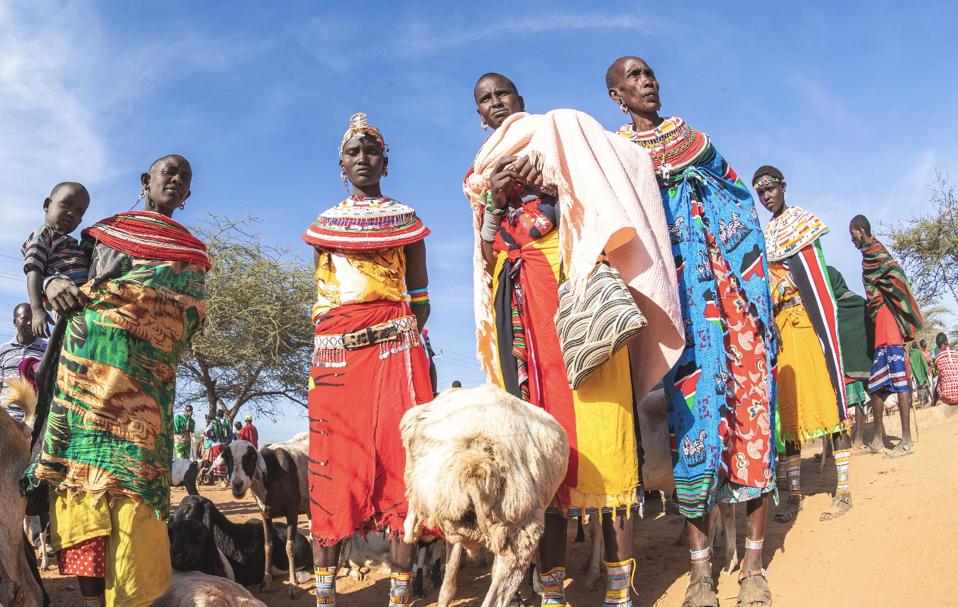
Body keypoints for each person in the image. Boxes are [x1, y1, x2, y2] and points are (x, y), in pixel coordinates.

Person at [465, 72, 683, 607]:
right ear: (479, 114)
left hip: (574, 297)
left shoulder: (558, 133)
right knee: (541, 452)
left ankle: (618, 592)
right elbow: (488, 249)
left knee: (603, 438)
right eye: (484, 100)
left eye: (503, 94)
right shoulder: (479, 172)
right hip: (520, 311)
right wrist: (494, 200)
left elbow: (604, 194)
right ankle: (554, 594)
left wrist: (552, 175)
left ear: (522, 99)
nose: (496, 104)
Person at [608, 56, 777, 606]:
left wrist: (742, 282)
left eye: (649, 73)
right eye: (633, 77)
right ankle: (701, 570)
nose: (646, 81)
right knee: (691, 433)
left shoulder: (694, 140)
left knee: (751, 420)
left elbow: (737, 200)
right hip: (672, 315)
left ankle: (753, 564)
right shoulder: (617, 155)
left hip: (729, 304)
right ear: (616, 96)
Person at [25, 154, 208, 606]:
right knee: (82, 489)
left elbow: (187, 319)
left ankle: (136, 598)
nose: (177, 180)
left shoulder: (194, 253)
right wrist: (48, 288)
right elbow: (57, 267)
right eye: (170, 172)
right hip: (86, 382)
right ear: (146, 180)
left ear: (187, 195)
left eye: (185, 178)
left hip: (146, 396)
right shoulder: (104, 233)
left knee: (137, 492)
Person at [304, 113, 433, 606]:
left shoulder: (407, 222)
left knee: (401, 464)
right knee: (331, 467)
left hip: (396, 355)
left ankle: (399, 596)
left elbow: (419, 300)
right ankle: (324, 595)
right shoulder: (325, 229)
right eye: (353, 153)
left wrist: (394, 339)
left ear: (386, 161)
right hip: (337, 359)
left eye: (371, 151)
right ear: (341, 165)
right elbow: (322, 300)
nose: (363, 159)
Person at [752, 166, 853, 523]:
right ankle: (793, 496)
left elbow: (815, 277)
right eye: (760, 191)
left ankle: (843, 490)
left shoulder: (803, 223)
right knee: (789, 414)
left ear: (783, 187)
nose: (766, 196)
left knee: (828, 405)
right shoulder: (764, 236)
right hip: (782, 329)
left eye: (770, 188)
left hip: (808, 325)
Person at [850, 214, 923, 457]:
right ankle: (878, 440)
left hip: (889, 323)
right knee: (876, 385)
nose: (852, 240)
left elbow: (897, 277)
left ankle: (906, 440)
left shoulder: (875, 251)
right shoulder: (868, 254)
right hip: (880, 323)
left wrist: (882, 298)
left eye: (852, 234)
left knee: (899, 380)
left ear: (861, 230)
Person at [21, 182, 92, 338]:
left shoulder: (71, 242)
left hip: (85, 301)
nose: (71, 213)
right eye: (66, 204)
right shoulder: (43, 234)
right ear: (47, 204)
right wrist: (37, 309)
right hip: (66, 304)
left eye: (79, 212)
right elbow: (33, 269)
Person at [827, 266, 875, 447]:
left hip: (851, 363)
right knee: (847, 403)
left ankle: (857, 438)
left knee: (854, 401)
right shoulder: (827, 309)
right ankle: (845, 442)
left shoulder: (856, 304)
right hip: (844, 363)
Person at [0, 303, 48, 422]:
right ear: (14, 322)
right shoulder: (3, 350)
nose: (29, 323)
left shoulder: (47, 351)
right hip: (7, 420)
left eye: (32, 318)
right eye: (24, 318)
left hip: (35, 421)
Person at [933, 332, 958, 405]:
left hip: (947, 398)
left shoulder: (938, 357)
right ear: (947, 341)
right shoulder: (956, 353)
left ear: (938, 345)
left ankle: (933, 403)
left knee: (937, 379)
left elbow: (939, 372)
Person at [909, 341, 931, 406]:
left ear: (912, 347)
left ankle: (922, 401)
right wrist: (927, 369)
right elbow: (923, 361)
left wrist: (912, 373)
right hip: (922, 372)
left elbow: (911, 365)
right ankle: (926, 400)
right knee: (925, 386)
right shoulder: (919, 352)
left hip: (916, 374)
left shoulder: (911, 354)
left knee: (919, 387)